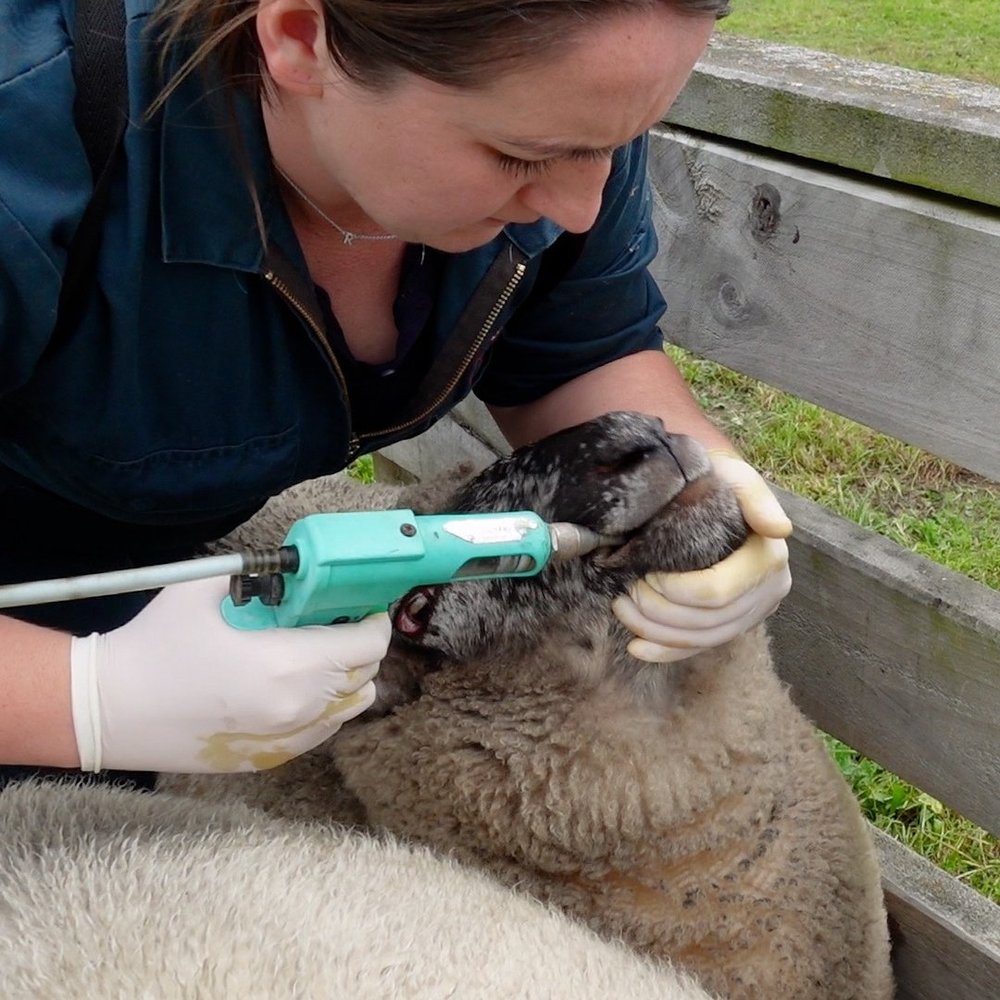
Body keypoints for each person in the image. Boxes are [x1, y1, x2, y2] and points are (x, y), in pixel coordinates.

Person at [0, 0, 791, 786]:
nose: (582, 207)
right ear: (301, 40)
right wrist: (84, 696)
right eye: (520, 156)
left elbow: (577, 352)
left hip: (152, 636)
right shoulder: (26, 153)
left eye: (616, 148)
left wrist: (695, 478)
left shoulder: (565, 131)